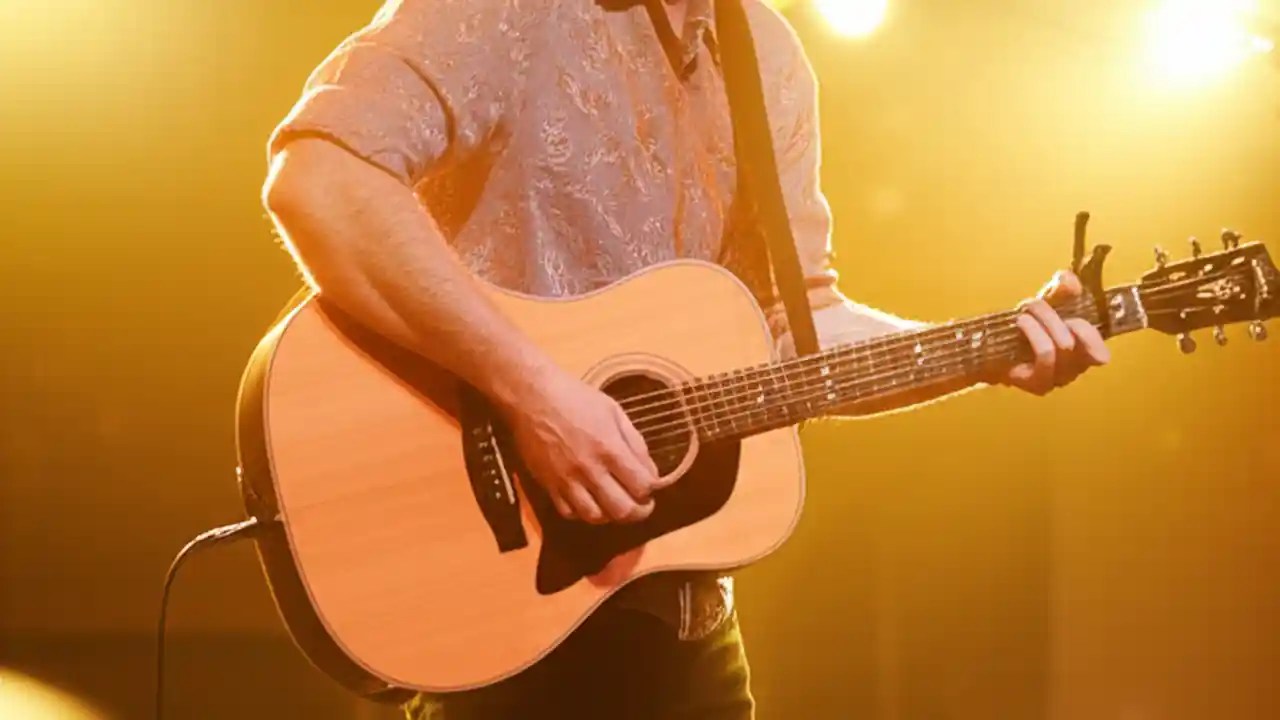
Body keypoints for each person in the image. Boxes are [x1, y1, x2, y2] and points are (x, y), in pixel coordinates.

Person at [260, 1, 1110, 717]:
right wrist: (536, 395)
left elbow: (798, 327)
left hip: (683, 616)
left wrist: (989, 349)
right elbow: (318, 180)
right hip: (499, 603)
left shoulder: (767, 55)